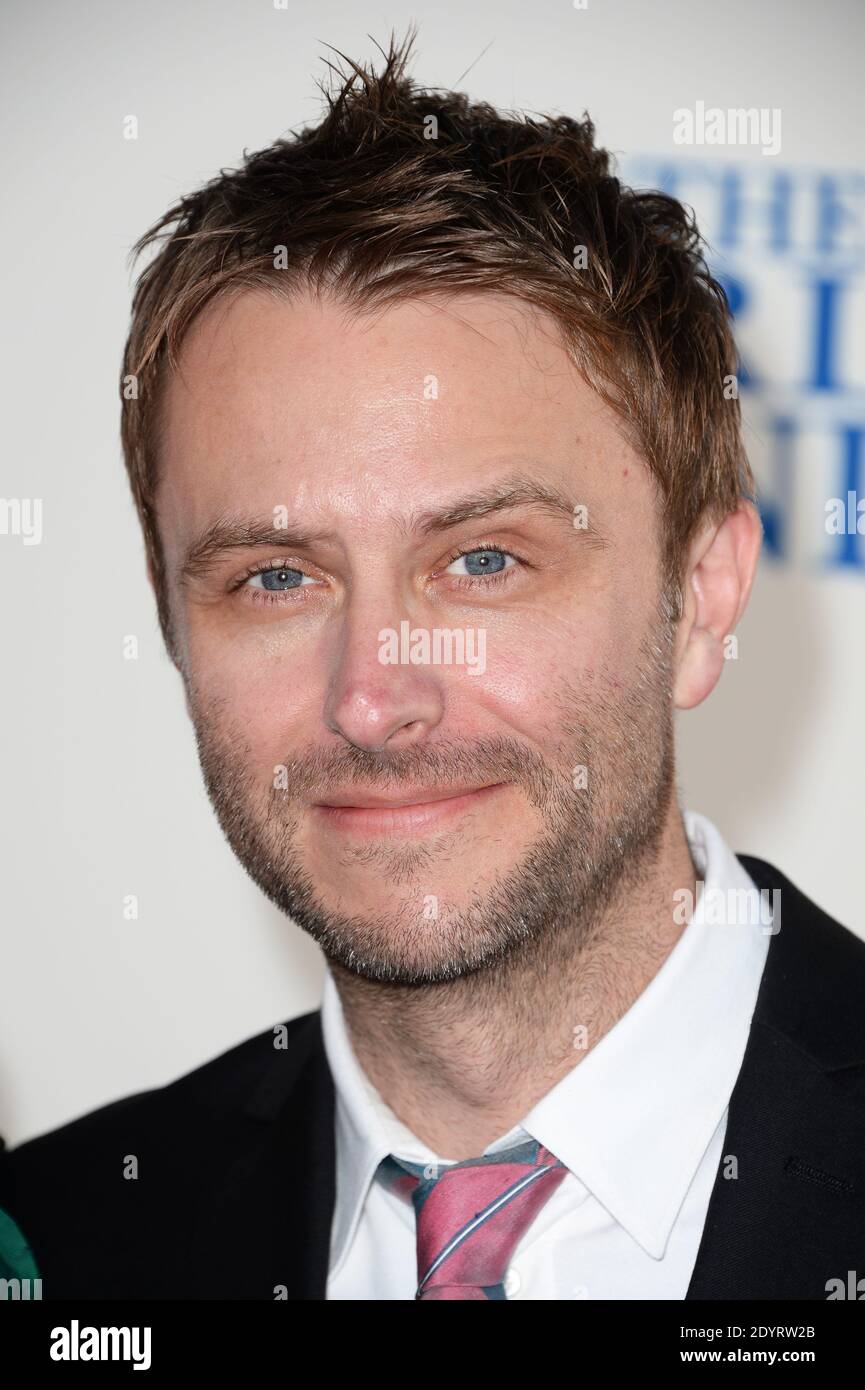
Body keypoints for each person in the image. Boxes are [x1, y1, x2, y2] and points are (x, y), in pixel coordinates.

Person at [6, 31, 864, 1300]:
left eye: (482, 561)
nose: (374, 698)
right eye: (276, 578)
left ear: (700, 598)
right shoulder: (63, 1247)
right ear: (172, 620)